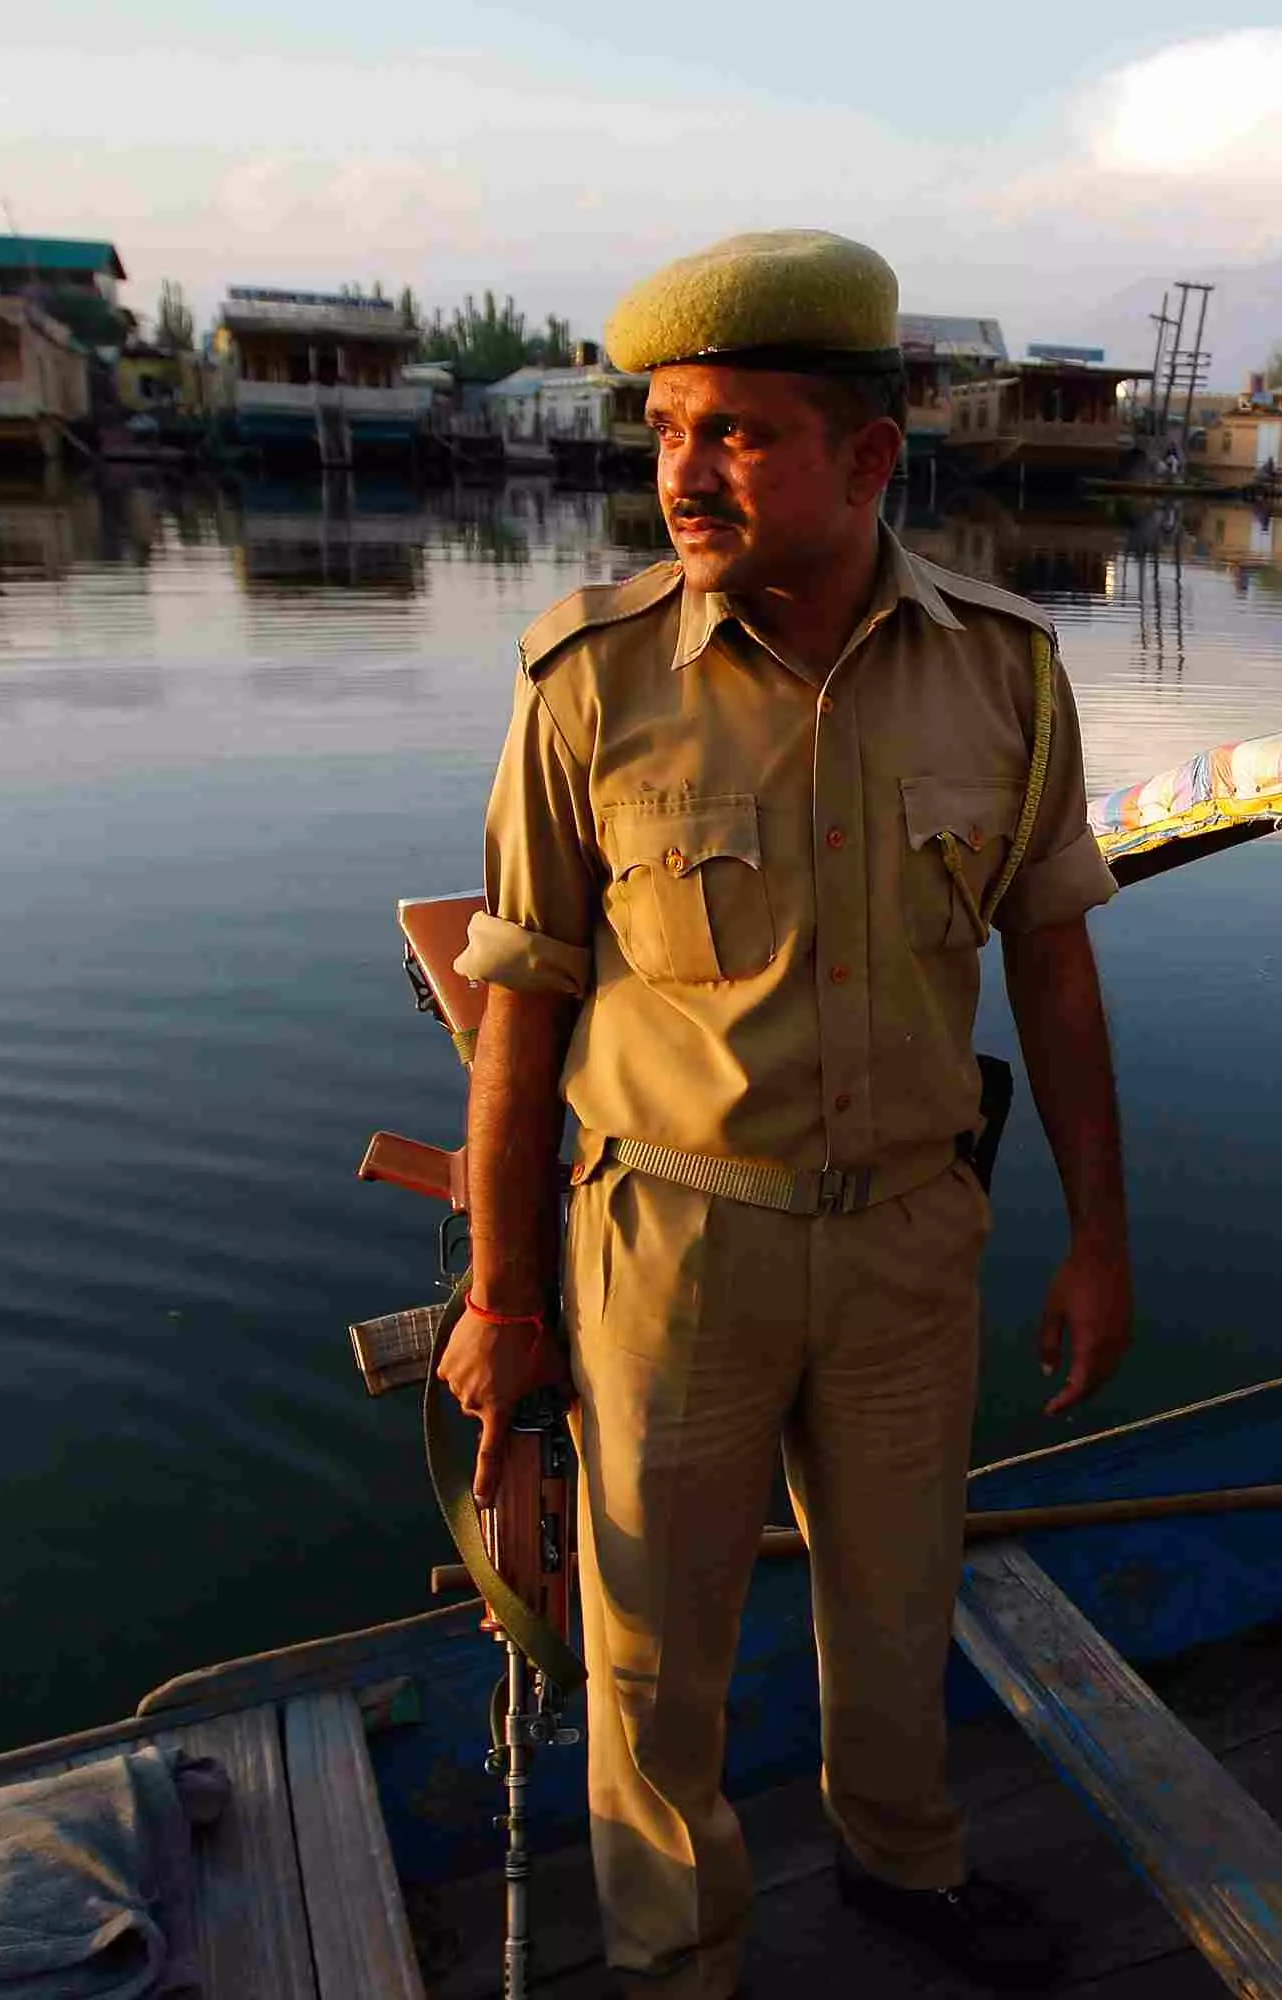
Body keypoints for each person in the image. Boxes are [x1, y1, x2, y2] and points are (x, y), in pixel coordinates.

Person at [435, 229, 1133, 1998]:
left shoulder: (1004, 674)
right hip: (671, 1245)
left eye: (737, 432)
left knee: (899, 1611)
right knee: (655, 1659)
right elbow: (518, 1022)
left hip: (912, 1236)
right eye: (667, 428)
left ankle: (906, 1873)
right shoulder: (589, 687)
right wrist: (505, 1298)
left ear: (869, 455)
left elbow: (1055, 973)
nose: (683, 471)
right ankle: (682, 1962)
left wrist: (1101, 1246)